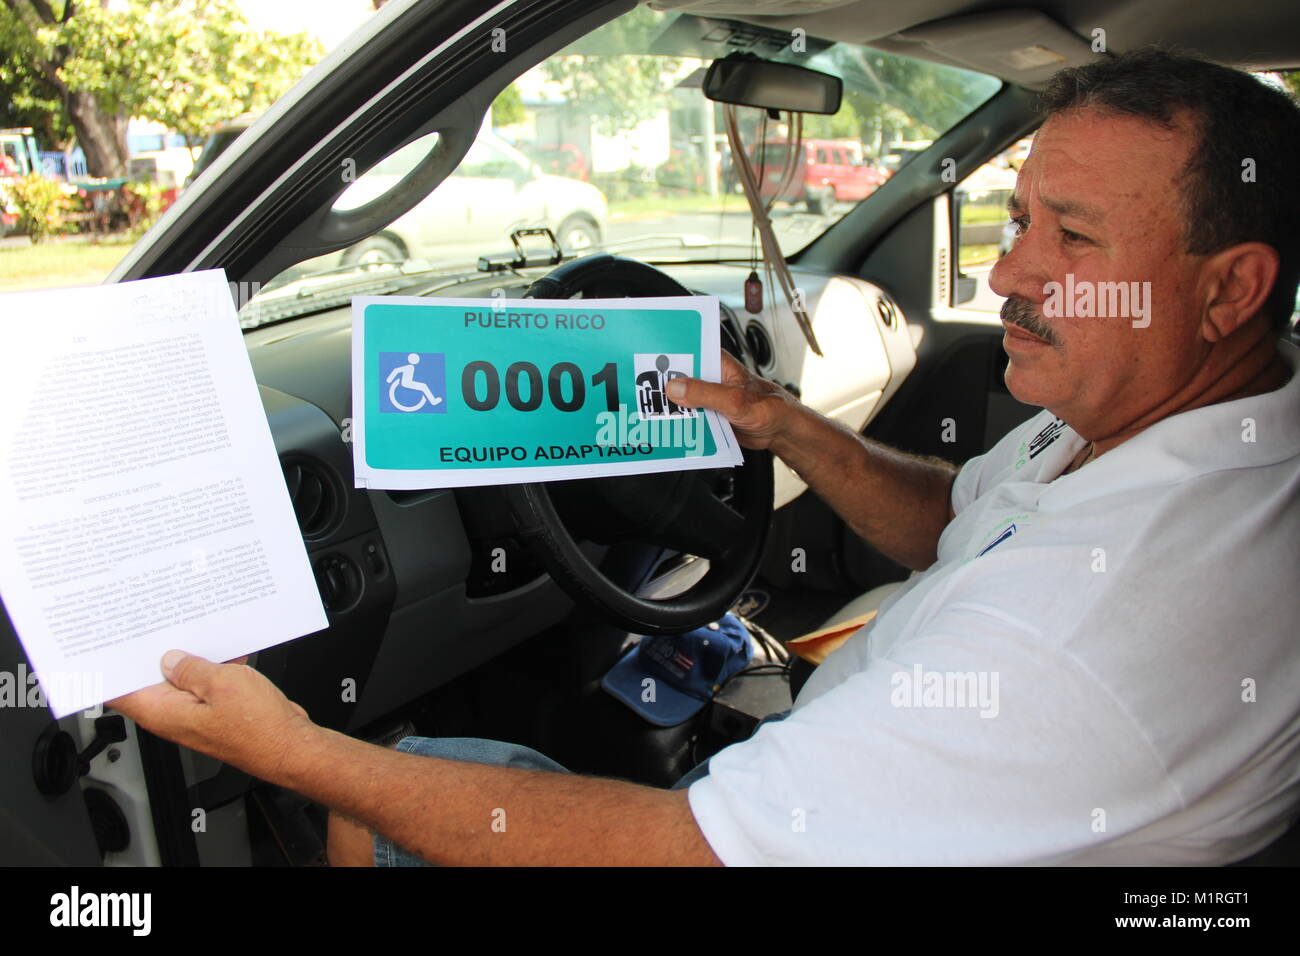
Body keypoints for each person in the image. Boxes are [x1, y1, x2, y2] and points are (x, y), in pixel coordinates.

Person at [111, 48, 1300, 865]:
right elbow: (964, 519)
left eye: (1073, 237)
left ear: (1228, 290)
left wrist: (301, 751)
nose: (1005, 274)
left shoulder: (1089, 636)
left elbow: (680, 850)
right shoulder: (1174, 427)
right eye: (1020, 216)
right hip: (849, 799)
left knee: (363, 810)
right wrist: (781, 424)